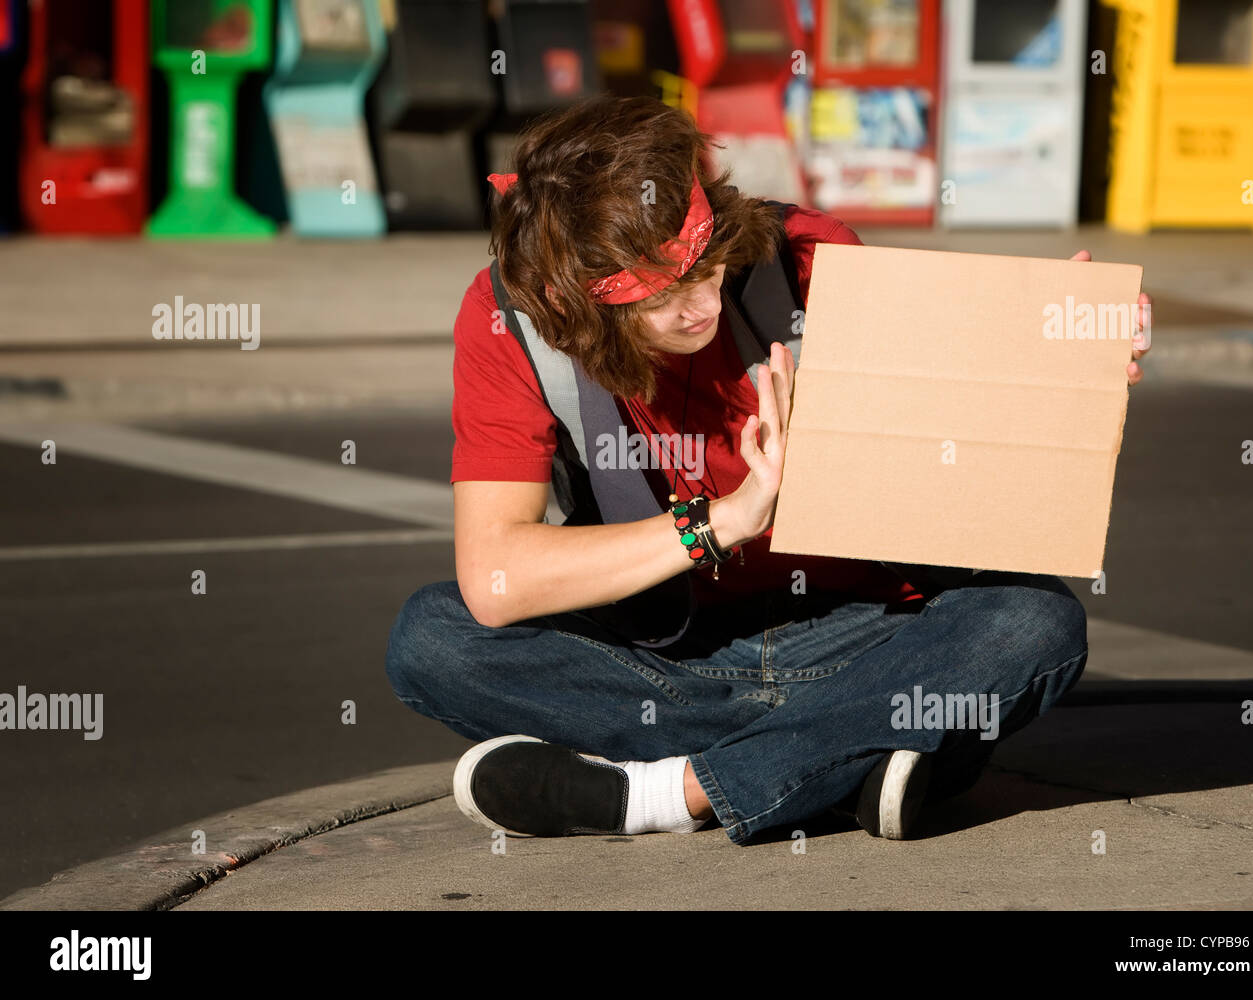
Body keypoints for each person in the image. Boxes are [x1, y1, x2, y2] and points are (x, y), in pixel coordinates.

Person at [384, 95, 1152, 846]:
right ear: (576, 307)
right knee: (433, 639)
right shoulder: (508, 321)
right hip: (661, 654)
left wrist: (1065, 368)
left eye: (709, 265)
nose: (703, 305)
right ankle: (854, 751)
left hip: (857, 631)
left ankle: (667, 792)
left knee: (1033, 621)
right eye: (664, 298)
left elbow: (957, 440)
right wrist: (729, 518)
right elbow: (496, 579)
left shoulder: (811, 254)